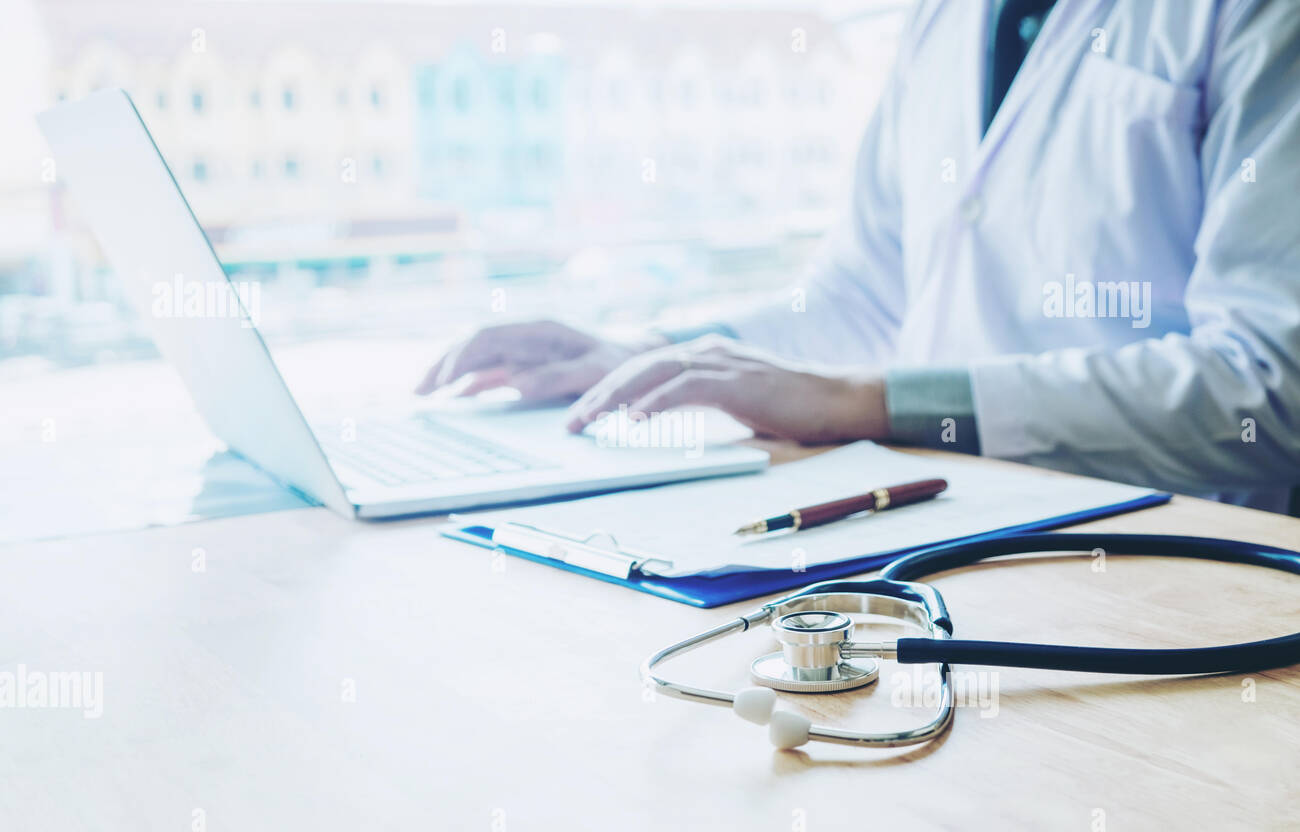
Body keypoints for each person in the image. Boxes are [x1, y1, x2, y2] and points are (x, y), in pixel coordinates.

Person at [418, 0, 1300, 513]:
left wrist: (875, 404)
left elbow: (1269, 388)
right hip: (959, 524)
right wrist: (642, 358)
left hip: (1181, 562)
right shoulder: (947, 15)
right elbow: (868, 295)